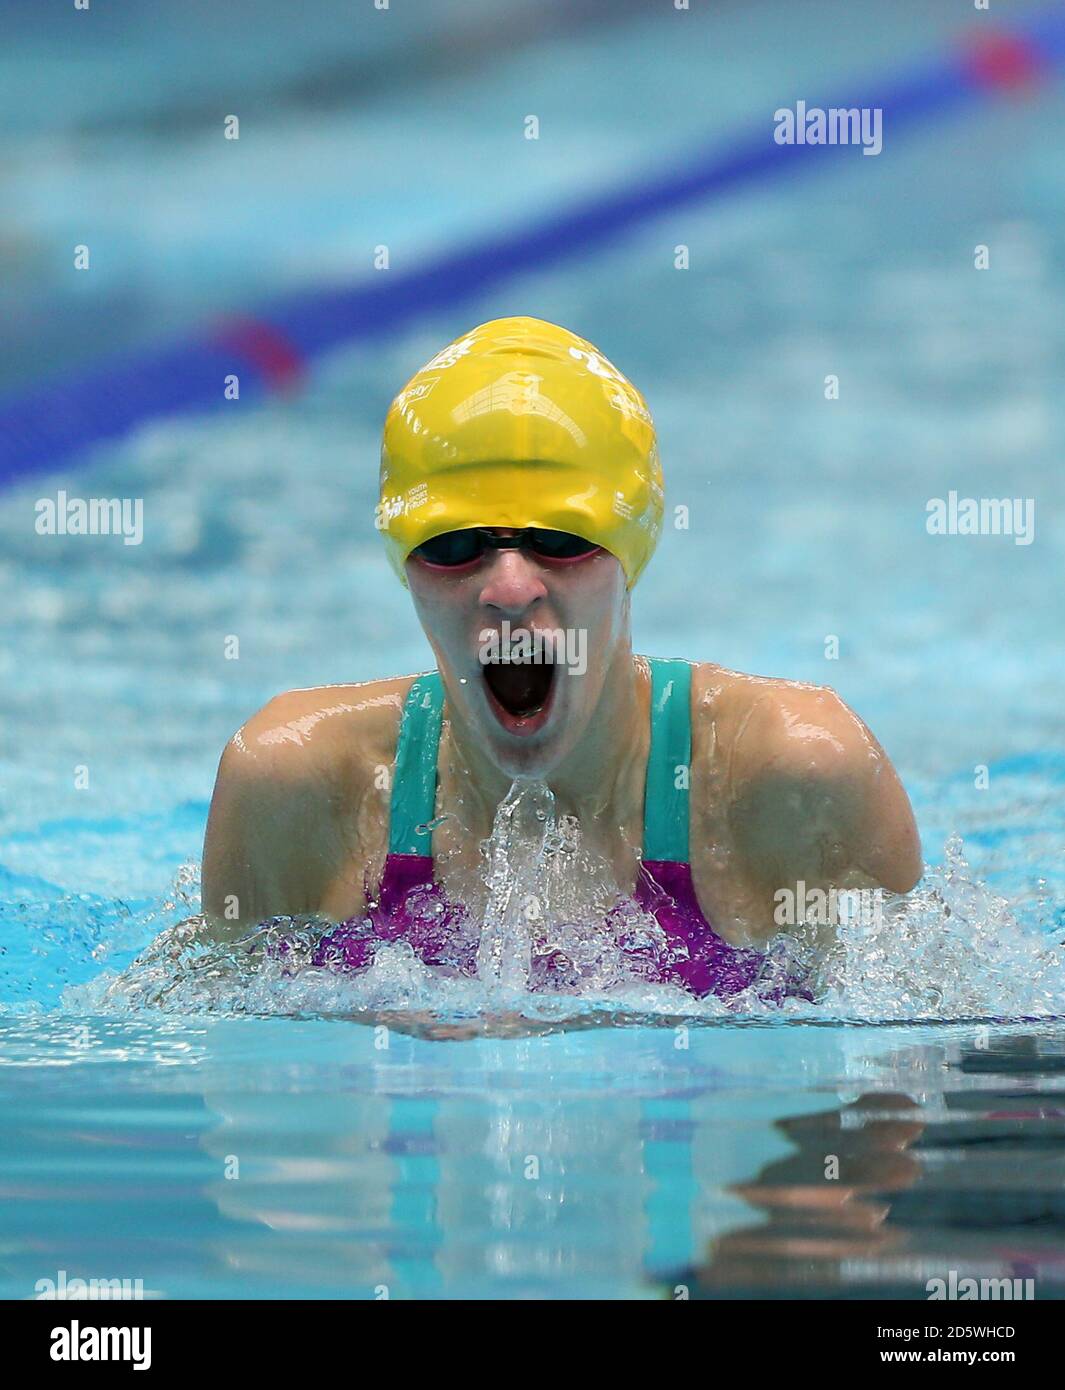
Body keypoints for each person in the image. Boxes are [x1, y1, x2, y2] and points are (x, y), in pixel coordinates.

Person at [201, 316, 920, 999]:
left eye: (562, 539)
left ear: (628, 554)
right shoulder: (296, 786)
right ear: (403, 563)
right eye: (453, 545)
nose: (509, 588)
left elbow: (894, 1089)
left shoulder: (790, 778)